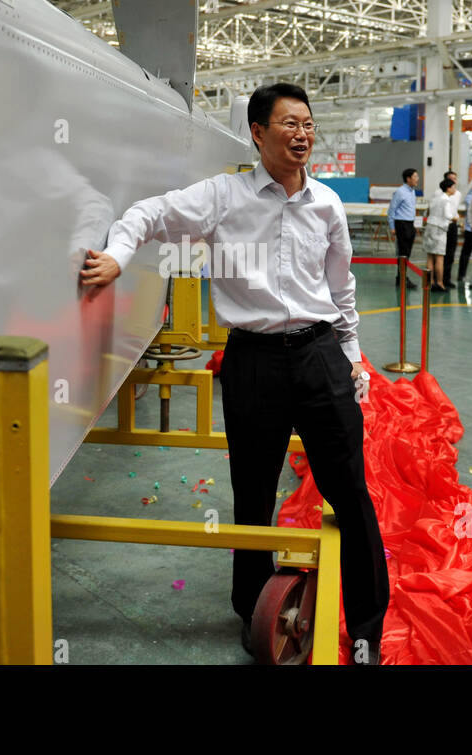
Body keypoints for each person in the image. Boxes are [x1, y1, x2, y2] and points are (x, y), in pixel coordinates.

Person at [80, 82, 389, 663]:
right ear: (257, 132)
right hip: (253, 360)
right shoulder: (223, 197)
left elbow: (342, 289)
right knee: (251, 491)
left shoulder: (326, 204)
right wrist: (119, 255)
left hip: (320, 354)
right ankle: (254, 611)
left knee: (350, 490)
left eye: (308, 124)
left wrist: (351, 357)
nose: (303, 134)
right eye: (289, 124)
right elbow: (148, 213)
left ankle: (368, 624)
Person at [423, 177, 457, 292]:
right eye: (453, 187)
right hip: (439, 229)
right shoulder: (446, 200)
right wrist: (456, 218)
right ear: (448, 188)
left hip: (429, 227)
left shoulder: (435, 198)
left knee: (429, 256)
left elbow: (427, 212)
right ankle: (440, 283)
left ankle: (430, 282)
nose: (455, 189)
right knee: (439, 258)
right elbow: (448, 215)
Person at [389, 168, 419, 290]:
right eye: (415, 177)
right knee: (403, 253)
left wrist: (414, 225)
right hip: (401, 224)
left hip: (410, 224)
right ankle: (402, 279)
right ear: (408, 179)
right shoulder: (400, 192)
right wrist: (392, 227)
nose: (417, 179)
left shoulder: (412, 191)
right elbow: (391, 210)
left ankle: (401, 277)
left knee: (407, 253)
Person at [442, 170, 462, 288]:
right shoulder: (439, 194)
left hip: (452, 225)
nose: (454, 180)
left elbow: (454, 209)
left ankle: (447, 278)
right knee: (440, 254)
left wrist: (457, 218)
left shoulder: (458, 194)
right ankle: (437, 278)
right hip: (442, 225)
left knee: (450, 253)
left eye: (455, 178)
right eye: (451, 178)